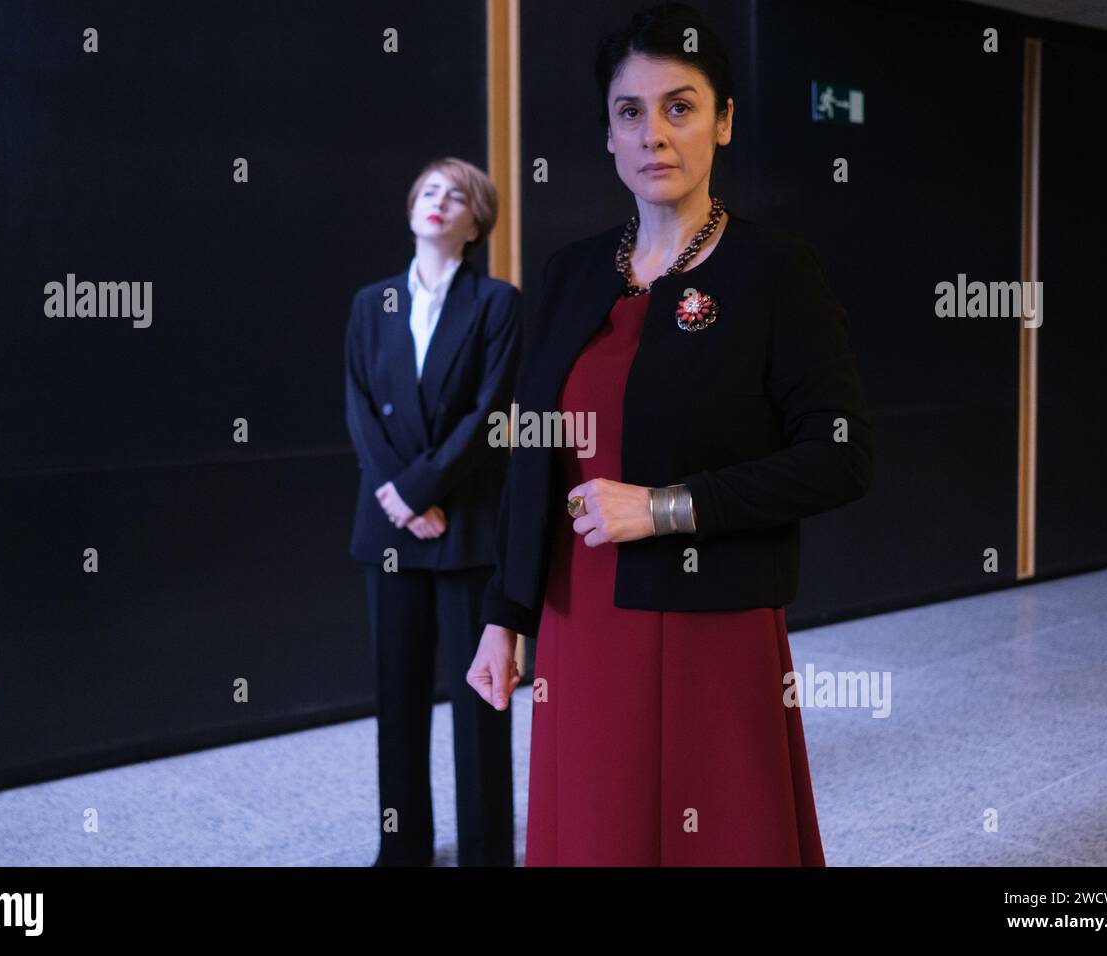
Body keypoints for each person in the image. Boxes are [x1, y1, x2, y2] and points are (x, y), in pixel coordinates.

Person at [466, 2, 874, 865]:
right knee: (592, 837)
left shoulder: (775, 271)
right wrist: (503, 619)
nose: (654, 133)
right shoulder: (570, 271)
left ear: (723, 123)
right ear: (609, 134)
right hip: (581, 622)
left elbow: (840, 455)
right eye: (630, 112)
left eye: (680, 107)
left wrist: (664, 508)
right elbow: (532, 453)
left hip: (712, 618)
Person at [345, 158, 521, 866]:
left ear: (476, 222)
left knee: (482, 701)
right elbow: (359, 409)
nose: (439, 203)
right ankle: (403, 850)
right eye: (428, 191)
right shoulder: (370, 303)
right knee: (397, 699)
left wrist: (421, 492)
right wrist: (401, 498)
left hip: (465, 524)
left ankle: (486, 854)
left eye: (457, 196)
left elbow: (490, 414)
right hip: (389, 528)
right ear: (412, 207)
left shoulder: (497, 302)